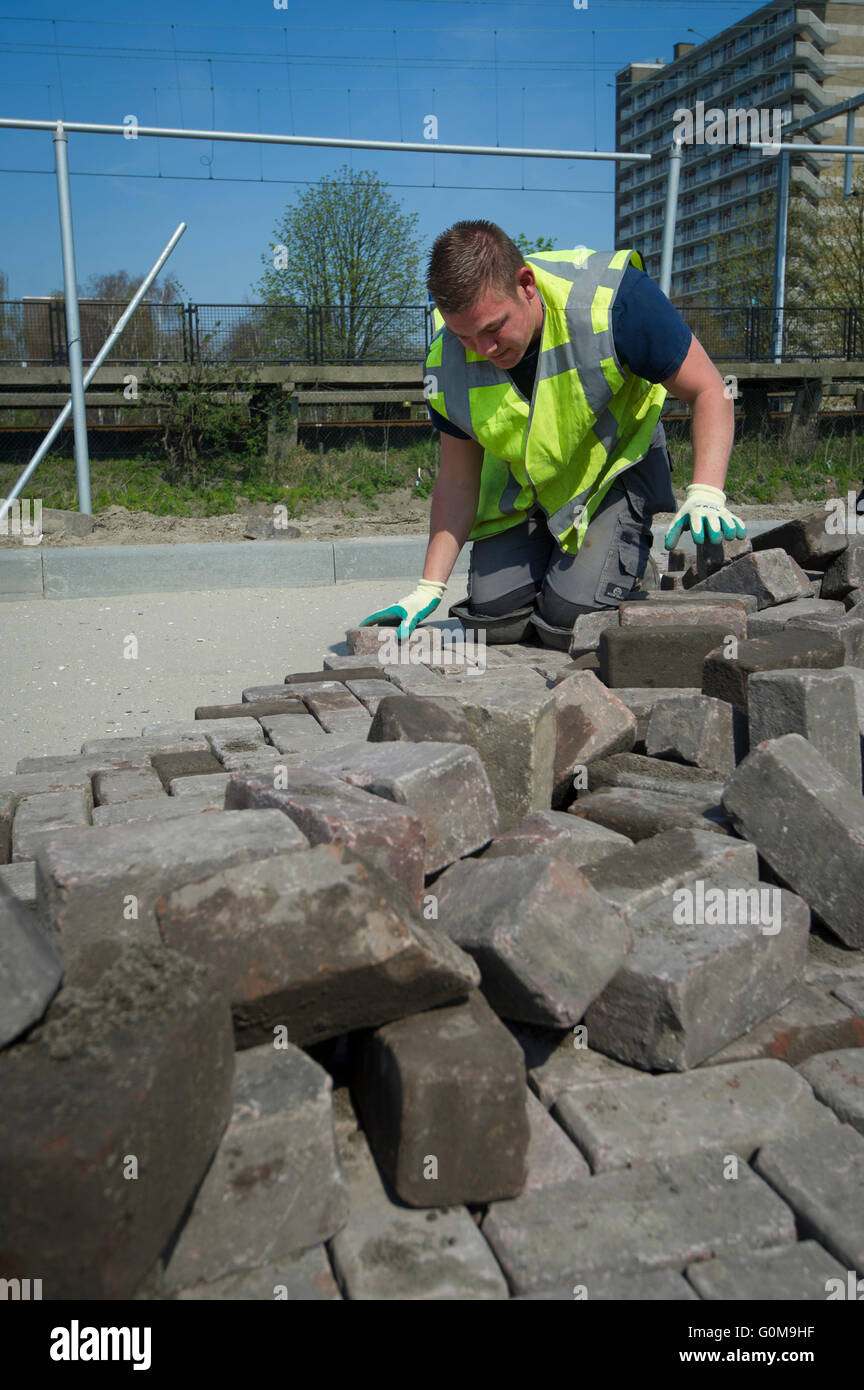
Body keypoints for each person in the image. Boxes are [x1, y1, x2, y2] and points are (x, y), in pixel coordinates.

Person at [358, 220, 746, 648]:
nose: (482, 350)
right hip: (529, 489)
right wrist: (428, 586)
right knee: (492, 624)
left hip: (611, 472)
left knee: (570, 623)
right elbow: (456, 478)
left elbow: (709, 388)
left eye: (493, 328)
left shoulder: (615, 301)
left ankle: (622, 556)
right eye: (463, 335)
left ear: (526, 285)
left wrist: (707, 490)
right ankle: (561, 554)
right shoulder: (447, 358)